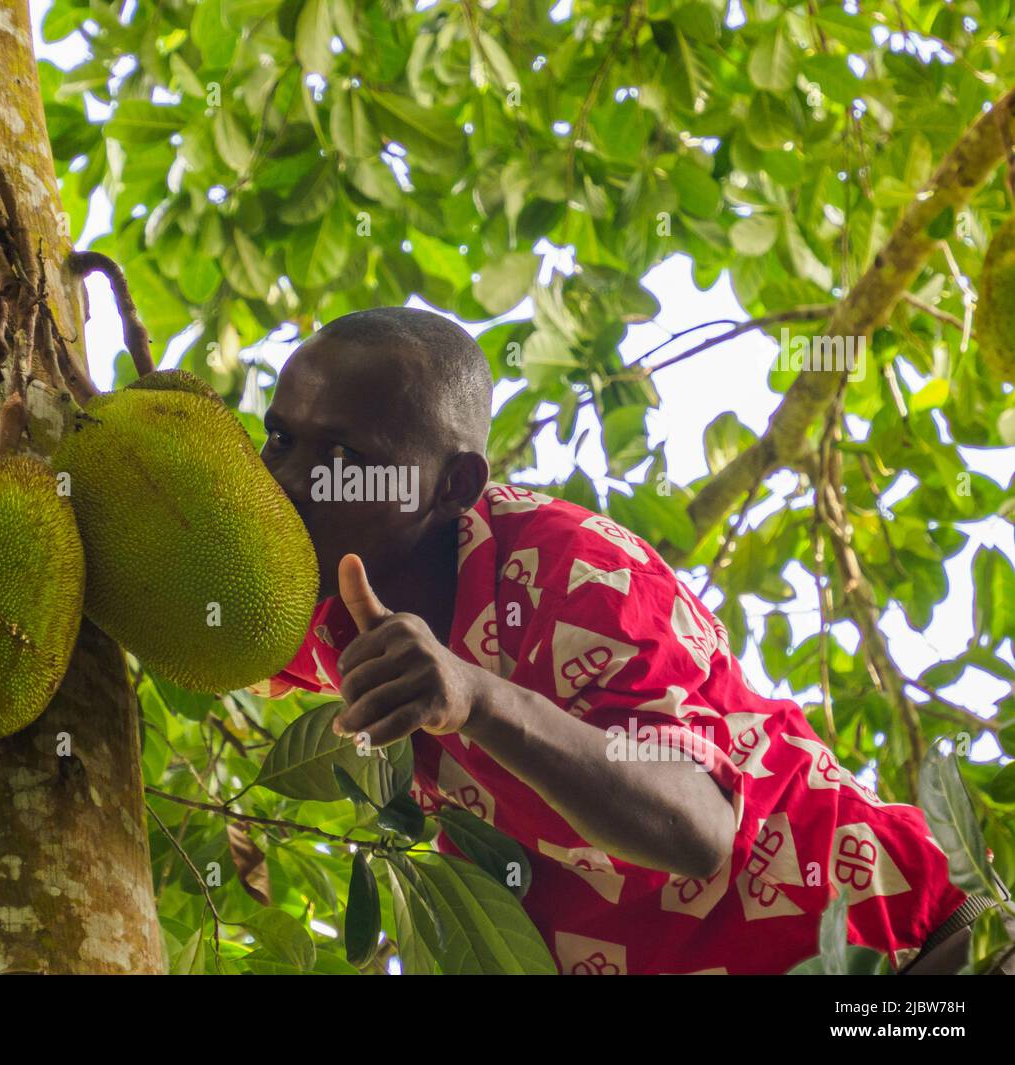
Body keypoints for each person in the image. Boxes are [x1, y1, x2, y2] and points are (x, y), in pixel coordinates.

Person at [251, 305, 1010, 975]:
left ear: (451, 487)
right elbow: (171, 589)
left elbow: (697, 829)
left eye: (346, 461)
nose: (290, 479)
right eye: (279, 438)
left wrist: (475, 695)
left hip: (915, 960)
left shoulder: (579, 572)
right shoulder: (318, 595)